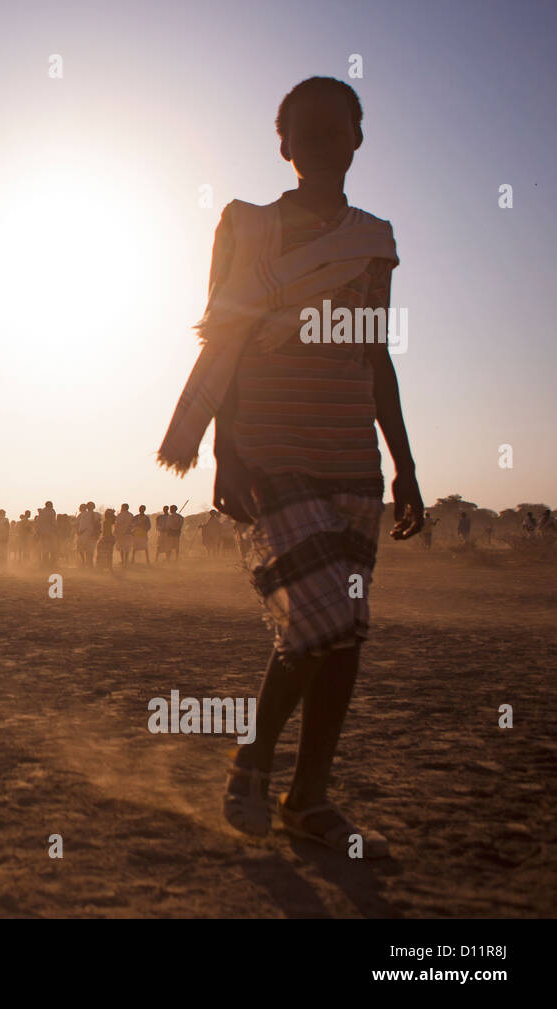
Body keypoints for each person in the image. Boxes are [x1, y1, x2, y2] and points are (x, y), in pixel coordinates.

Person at [158, 77, 422, 856]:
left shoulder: (375, 240)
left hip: (351, 459)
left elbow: (375, 354)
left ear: (356, 139)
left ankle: (271, 771)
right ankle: (301, 794)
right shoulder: (249, 224)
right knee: (330, 624)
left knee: (334, 633)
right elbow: (226, 341)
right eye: (302, 129)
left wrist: (404, 462)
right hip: (273, 455)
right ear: (285, 147)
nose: (320, 139)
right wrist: (222, 446)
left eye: (334, 126)